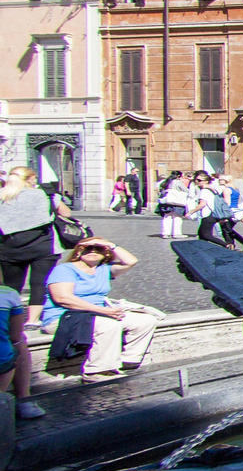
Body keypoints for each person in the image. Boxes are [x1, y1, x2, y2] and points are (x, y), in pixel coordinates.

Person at [43, 237, 156, 382]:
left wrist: (110, 244)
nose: (93, 251)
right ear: (78, 251)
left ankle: (127, 360)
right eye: (88, 248)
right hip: (65, 317)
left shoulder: (104, 269)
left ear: (106, 253)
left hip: (96, 314)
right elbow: (63, 298)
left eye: (98, 249)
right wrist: (101, 311)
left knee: (145, 321)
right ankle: (97, 370)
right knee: (109, 325)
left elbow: (131, 261)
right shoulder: (64, 269)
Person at [0, 167, 73, 331]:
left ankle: (9, 318)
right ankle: (32, 320)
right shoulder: (44, 195)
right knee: (39, 283)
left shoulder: (3, 195)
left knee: (11, 285)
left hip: (9, 247)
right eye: (34, 178)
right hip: (43, 245)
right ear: (30, 179)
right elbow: (66, 213)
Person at [0, 281, 36, 418]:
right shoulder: (8, 293)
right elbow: (15, 336)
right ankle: (24, 400)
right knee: (17, 344)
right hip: (2, 361)